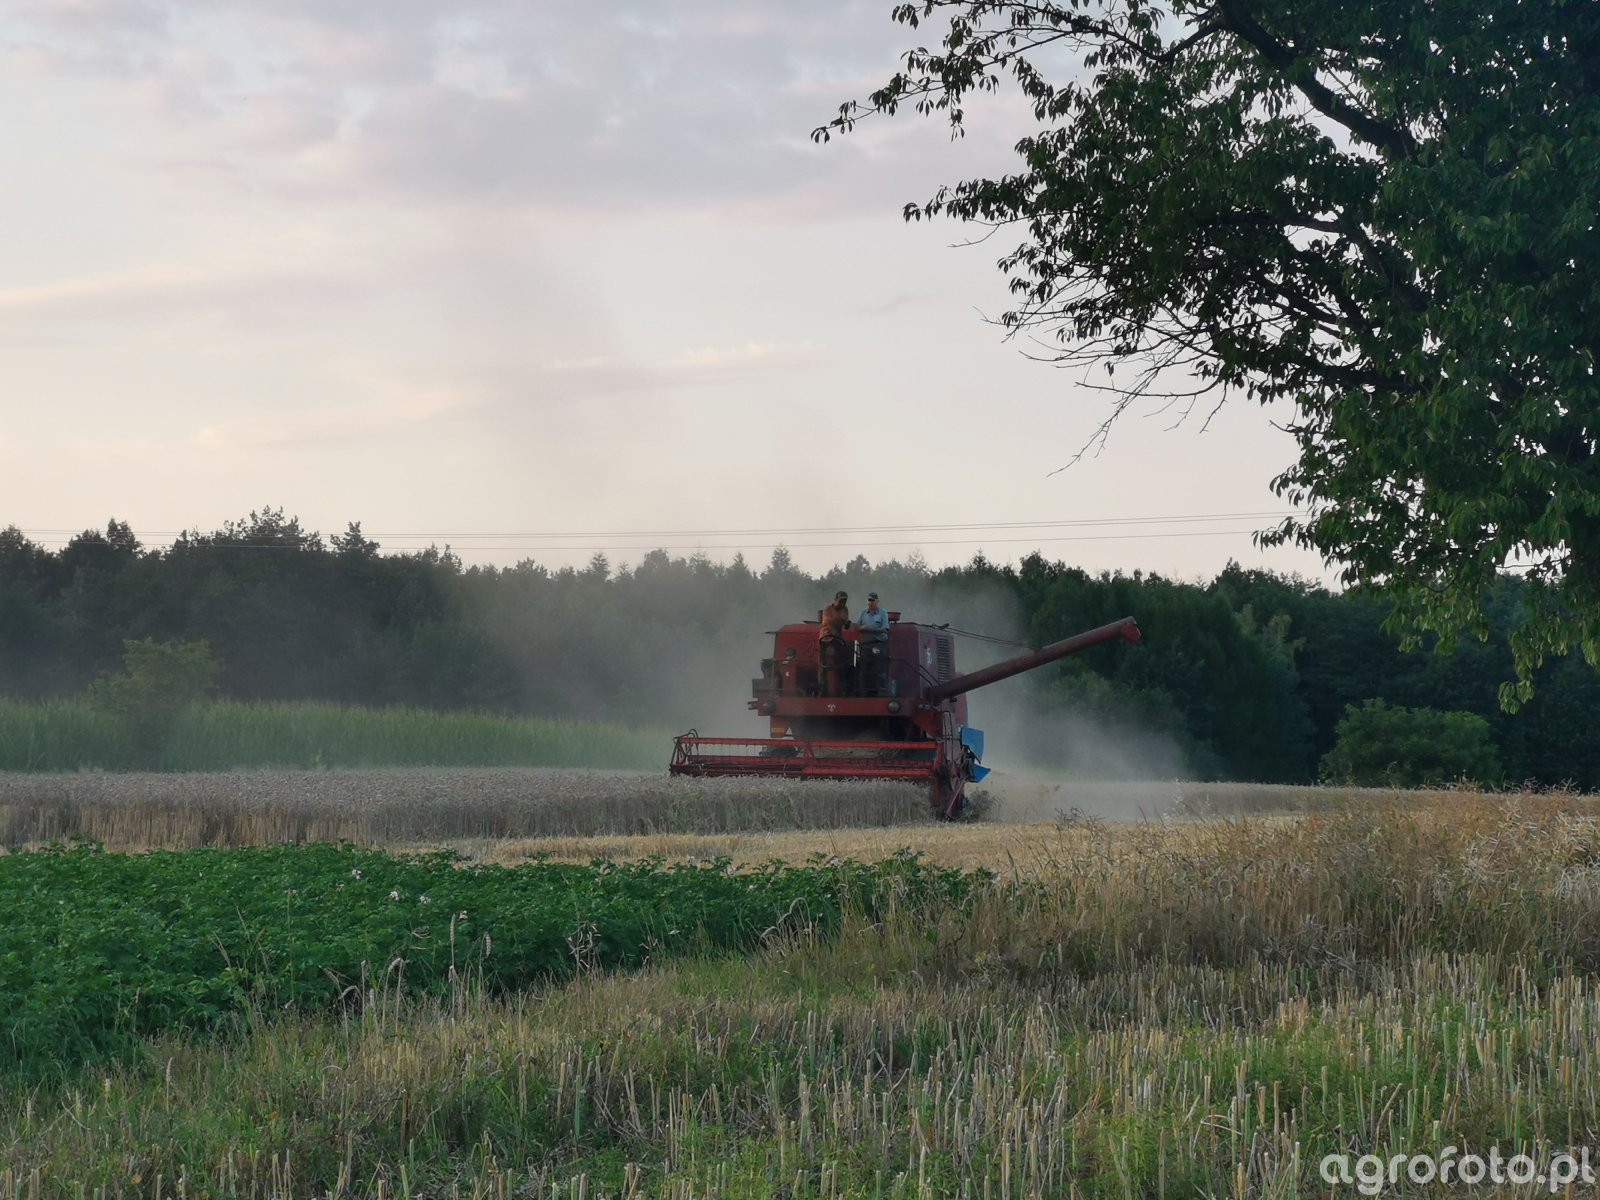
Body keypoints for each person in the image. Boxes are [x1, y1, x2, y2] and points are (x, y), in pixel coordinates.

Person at [855, 591, 891, 695]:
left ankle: (881, 693)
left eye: (873, 600)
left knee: (880, 670)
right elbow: (857, 626)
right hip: (866, 645)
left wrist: (869, 629)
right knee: (863, 670)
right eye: (869, 600)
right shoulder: (863, 613)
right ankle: (863, 693)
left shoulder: (883, 613)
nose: (871, 602)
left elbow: (885, 629)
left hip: (879, 644)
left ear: (877, 601)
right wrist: (863, 628)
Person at [817, 590, 851, 696]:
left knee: (846, 659)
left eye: (844, 602)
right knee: (822, 664)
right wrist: (837, 637)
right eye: (840, 601)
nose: (842, 604)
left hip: (838, 639)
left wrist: (847, 624)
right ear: (835, 600)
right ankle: (822, 688)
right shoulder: (827, 609)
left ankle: (843, 687)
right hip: (825, 638)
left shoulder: (844, 609)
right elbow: (829, 624)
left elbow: (845, 623)